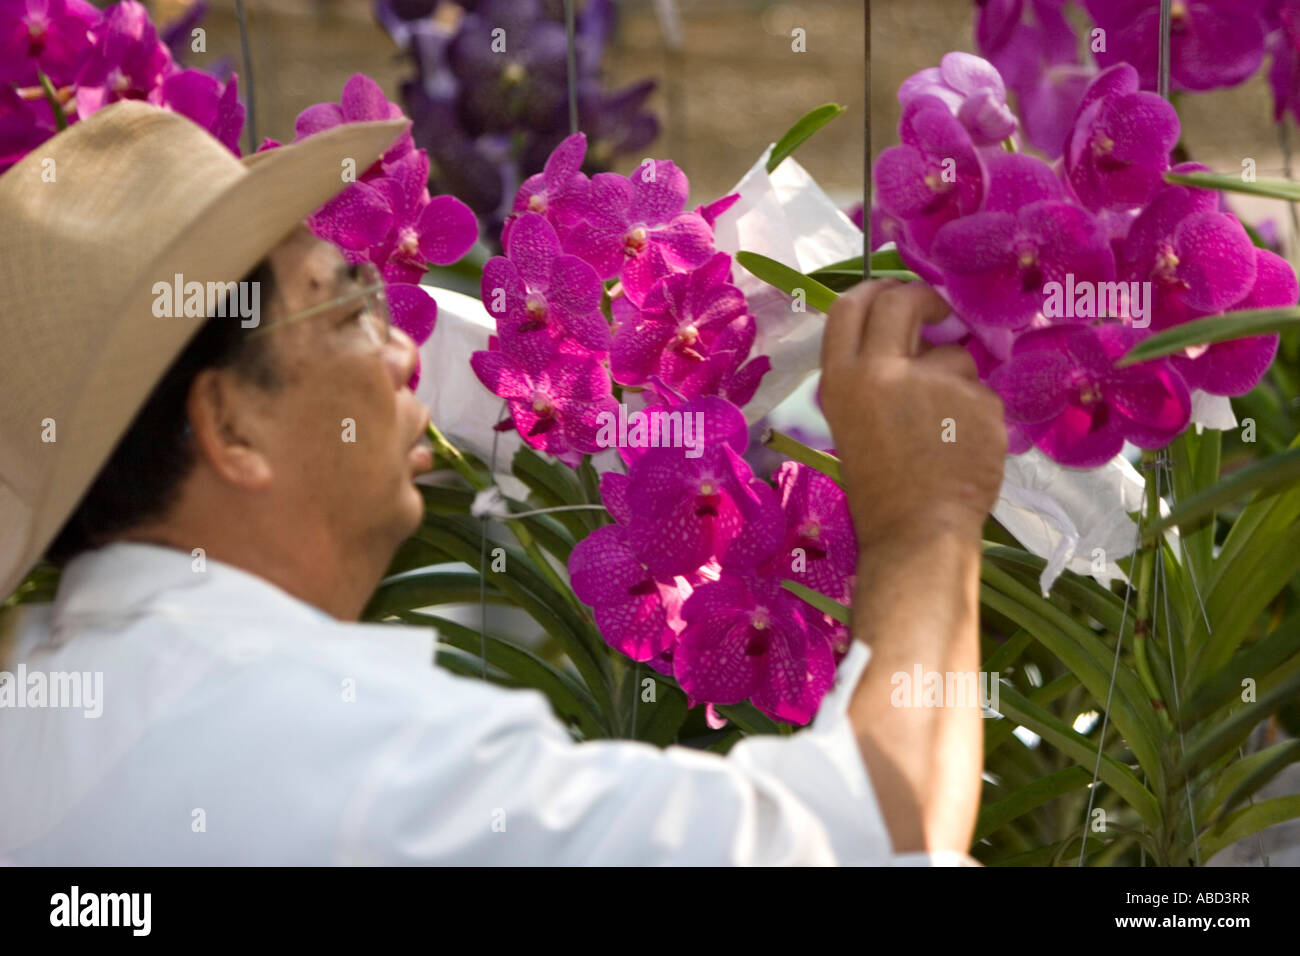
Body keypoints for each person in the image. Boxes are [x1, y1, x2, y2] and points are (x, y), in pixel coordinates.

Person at [0, 101, 1006, 865]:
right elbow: (874, 831)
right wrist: (925, 515)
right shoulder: (319, 743)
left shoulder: (39, 727)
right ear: (230, 425)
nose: (402, 340)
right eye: (342, 302)